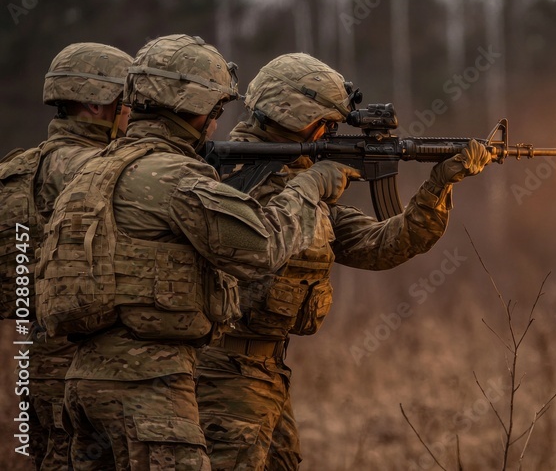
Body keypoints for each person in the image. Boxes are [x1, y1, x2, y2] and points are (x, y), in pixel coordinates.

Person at [35, 35, 354, 471]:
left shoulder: (92, 167)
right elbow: (259, 248)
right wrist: (309, 185)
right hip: (149, 382)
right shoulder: (176, 177)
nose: (218, 123)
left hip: (84, 380)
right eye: (216, 110)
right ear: (195, 107)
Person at [194, 53, 490, 470]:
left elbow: (382, 245)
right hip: (221, 377)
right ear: (295, 115)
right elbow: (253, 244)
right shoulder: (225, 180)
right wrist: (310, 185)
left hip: (266, 371)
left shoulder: (299, 183)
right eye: (326, 122)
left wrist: (439, 185)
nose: (332, 131)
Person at [0, 42, 133, 470]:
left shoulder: (15, 169)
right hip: (85, 359)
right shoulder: (100, 171)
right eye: (126, 102)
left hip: (34, 355)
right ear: (97, 105)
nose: (132, 113)